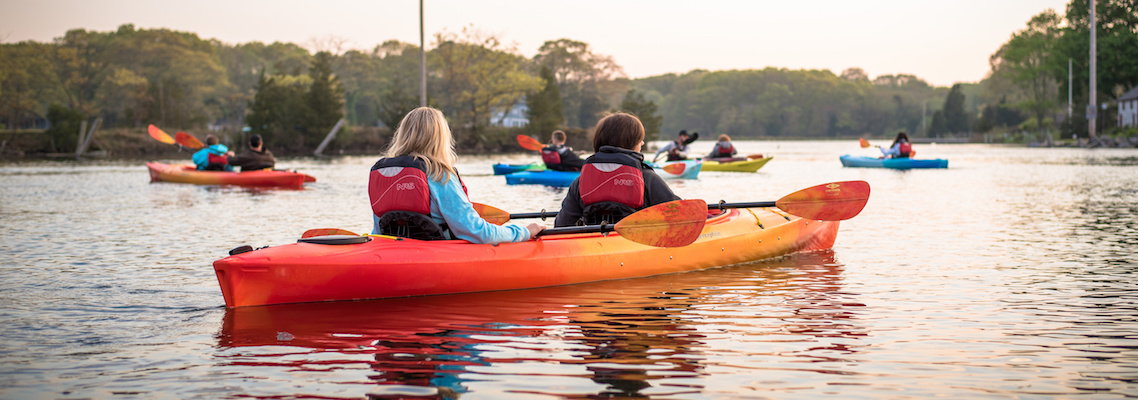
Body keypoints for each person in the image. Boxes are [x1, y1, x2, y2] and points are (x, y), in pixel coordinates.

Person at [369, 107, 544, 244]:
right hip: (437, 256)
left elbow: (378, 232)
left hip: (394, 250)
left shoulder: (382, 173)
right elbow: (479, 233)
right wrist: (525, 232)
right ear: (440, 137)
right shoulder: (439, 174)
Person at [555, 112, 682, 227]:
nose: (642, 143)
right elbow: (681, 216)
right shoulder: (646, 178)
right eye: (639, 140)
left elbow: (562, 225)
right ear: (629, 143)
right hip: (635, 246)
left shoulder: (580, 181)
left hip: (596, 246)